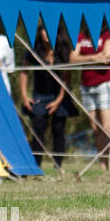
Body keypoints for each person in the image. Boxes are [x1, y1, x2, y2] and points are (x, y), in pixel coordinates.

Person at [70, 24, 110, 172]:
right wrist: (93, 57)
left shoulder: (109, 34)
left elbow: (106, 57)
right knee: (96, 128)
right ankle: (103, 167)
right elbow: (72, 58)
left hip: (106, 84)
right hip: (87, 85)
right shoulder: (82, 35)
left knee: (109, 127)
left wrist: (84, 58)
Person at [18, 25, 67, 172]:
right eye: (44, 30)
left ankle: (58, 165)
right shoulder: (33, 50)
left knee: (58, 131)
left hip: (59, 96)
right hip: (39, 96)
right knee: (38, 130)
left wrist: (59, 100)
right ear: (39, 32)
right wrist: (25, 96)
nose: (46, 34)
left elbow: (67, 77)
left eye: (50, 30)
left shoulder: (63, 51)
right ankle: (36, 165)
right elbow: (23, 72)